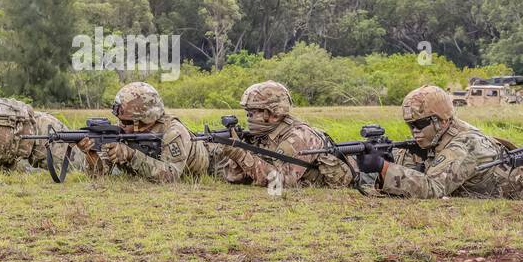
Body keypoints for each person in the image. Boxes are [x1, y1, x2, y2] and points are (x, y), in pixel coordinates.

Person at [366, 85, 523, 200]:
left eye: (421, 123)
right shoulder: (438, 136)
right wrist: (390, 161)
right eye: (410, 125)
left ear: (443, 121)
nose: (415, 130)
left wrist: (384, 167)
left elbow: (433, 188)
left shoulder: (464, 144)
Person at [214, 81, 351, 188]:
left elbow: (281, 181)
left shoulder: (298, 137)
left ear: (272, 113)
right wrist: (235, 152)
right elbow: (235, 178)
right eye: (248, 112)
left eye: (254, 112)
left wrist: (241, 154)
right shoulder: (264, 135)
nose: (249, 117)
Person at [76, 82, 206, 182]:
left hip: (212, 163)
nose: (121, 125)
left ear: (145, 120)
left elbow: (170, 177)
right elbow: (99, 175)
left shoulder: (173, 132)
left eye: (127, 122)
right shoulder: (122, 130)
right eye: (120, 120)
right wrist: (91, 154)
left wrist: (131, 155)